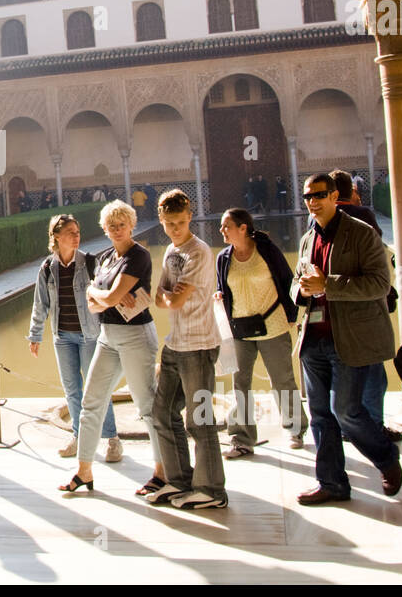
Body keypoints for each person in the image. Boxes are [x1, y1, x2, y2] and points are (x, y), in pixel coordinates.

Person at [293, 173, 402, 504]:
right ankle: (332, 483)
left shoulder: (362, 234)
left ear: (335, 196)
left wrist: (329, 285)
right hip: (314, 339)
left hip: (349, 338)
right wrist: (300, 289)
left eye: (319, 195)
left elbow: (379, 285)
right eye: (307, 197)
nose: (312, 202)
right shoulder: (308, 238)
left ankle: (385, 458)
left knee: (347, 412)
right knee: (321, 416)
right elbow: (299, 280)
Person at [58, 201, 162, 495]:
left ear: (131, 225)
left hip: (135, 336)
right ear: (105, 229)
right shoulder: (105, 258)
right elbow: (93, 299)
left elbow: (112, 295)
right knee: (91, 403)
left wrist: (103, 295)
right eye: (111, 226)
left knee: (147, 406)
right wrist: (102, 294)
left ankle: (160, 472)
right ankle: (84, 472)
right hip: (107, 335)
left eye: (122, 225)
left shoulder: (138, 256)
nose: (117, 230)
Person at [142, 189, 228, 508]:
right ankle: (179, 481)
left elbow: (173, 300)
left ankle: (212, 491)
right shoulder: (170, 252)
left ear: (190, 216)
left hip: (199, 346)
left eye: (180, 222)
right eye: (169, 223)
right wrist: (168, 297)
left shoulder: (200, 252)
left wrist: (169, 297)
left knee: (200, 419)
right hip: (175, 345)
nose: (176, 229)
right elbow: (159, 297)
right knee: (162, 413)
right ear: (162, 221)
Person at [26, 214, 121, 462]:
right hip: (63, 337)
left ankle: (112, 439)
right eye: (71, 232)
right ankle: (79, 437)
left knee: (98, 389)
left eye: (78, 232)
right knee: (72, 390)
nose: (77, 236)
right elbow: (40, 304)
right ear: (57, 236)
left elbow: (106, 293)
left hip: (89, 335)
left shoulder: (90, 263)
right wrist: (35, 335)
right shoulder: (47, 268)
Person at [214, 208, 308, 457]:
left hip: (273, 325)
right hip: (239, 330)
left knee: (282, 379)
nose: (221, 230)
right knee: (239, 383)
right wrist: (218, 296)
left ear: (243, 228)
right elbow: (221, 287)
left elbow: (288, 280)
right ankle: (241, 438)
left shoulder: (266, 250)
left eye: (226, 226)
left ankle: (295, 428)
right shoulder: (223, 258)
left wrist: (292, 316)